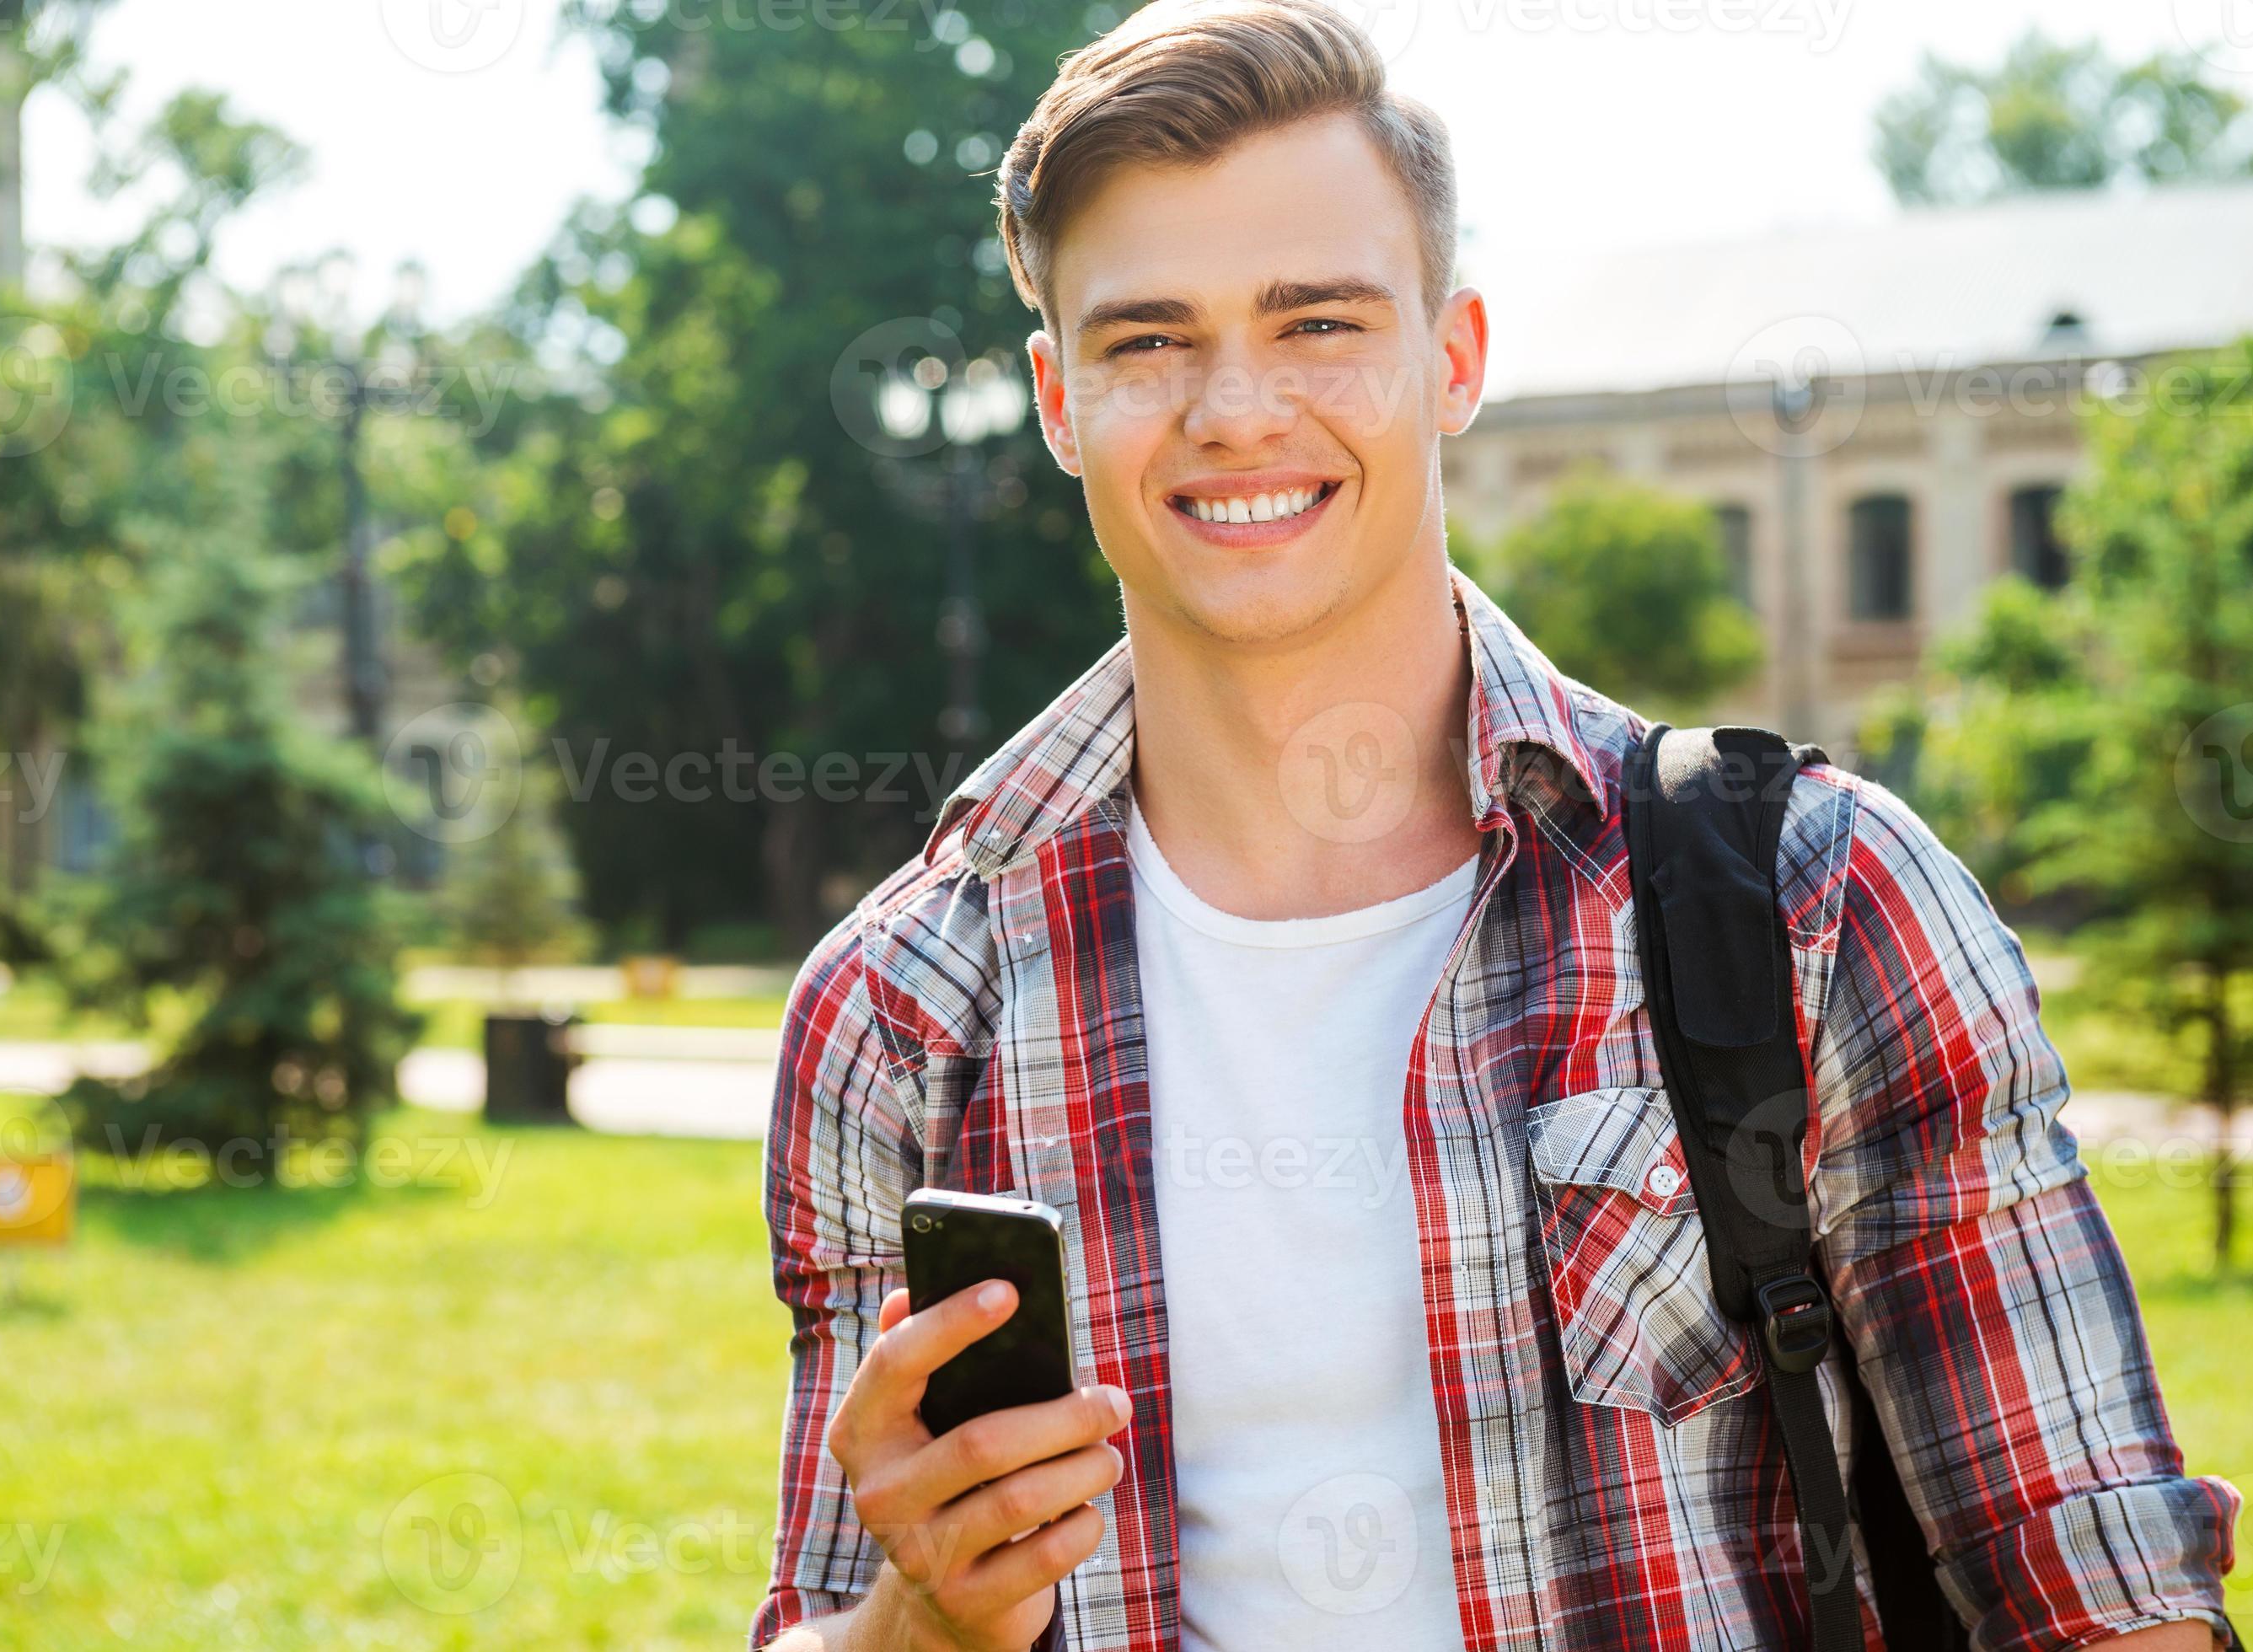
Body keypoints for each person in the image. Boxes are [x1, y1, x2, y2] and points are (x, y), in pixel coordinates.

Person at [751, 3, 2240, 1647]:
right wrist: (917, 1613)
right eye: (1146, 339)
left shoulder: (1813, 899)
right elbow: (819, 1619)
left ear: (1449, 355)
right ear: (1055, 398)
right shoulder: (892, 1009)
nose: (1234, 408)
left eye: (1315, 321)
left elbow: (2092, 1584)